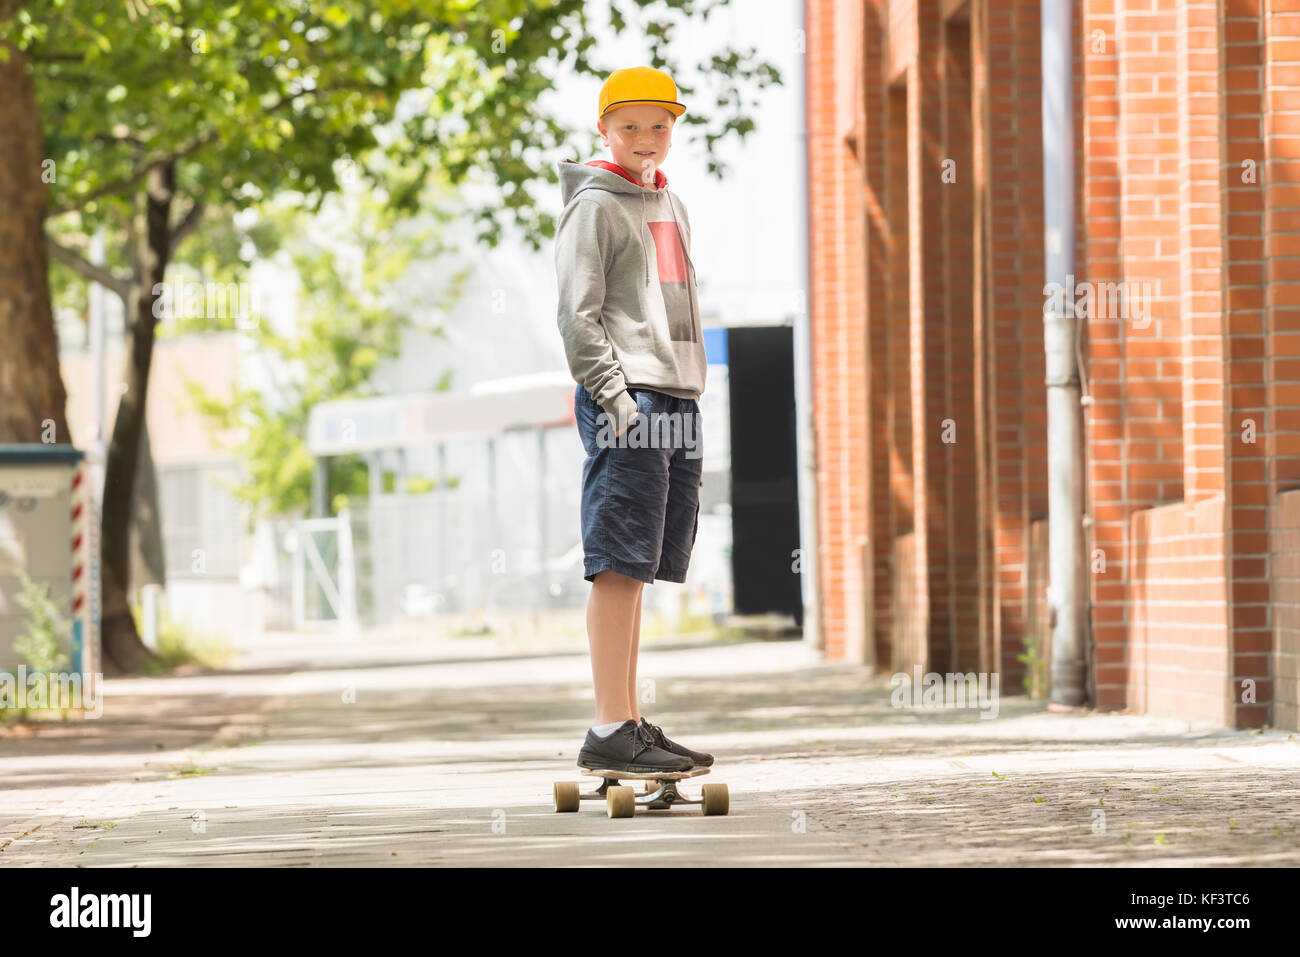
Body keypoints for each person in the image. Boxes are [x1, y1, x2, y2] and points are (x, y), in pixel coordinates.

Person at [554, 66, 713, 774]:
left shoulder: (668, 201)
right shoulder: (594, 206)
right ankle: (608, 723)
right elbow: (576, 316)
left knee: (643, 564)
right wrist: (617, 400)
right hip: (632, 401)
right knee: (618, 563)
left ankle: (629, 719)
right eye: (630, 127)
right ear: (603, 130)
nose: (647, 139)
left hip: (676, 397)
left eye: (660, 125)